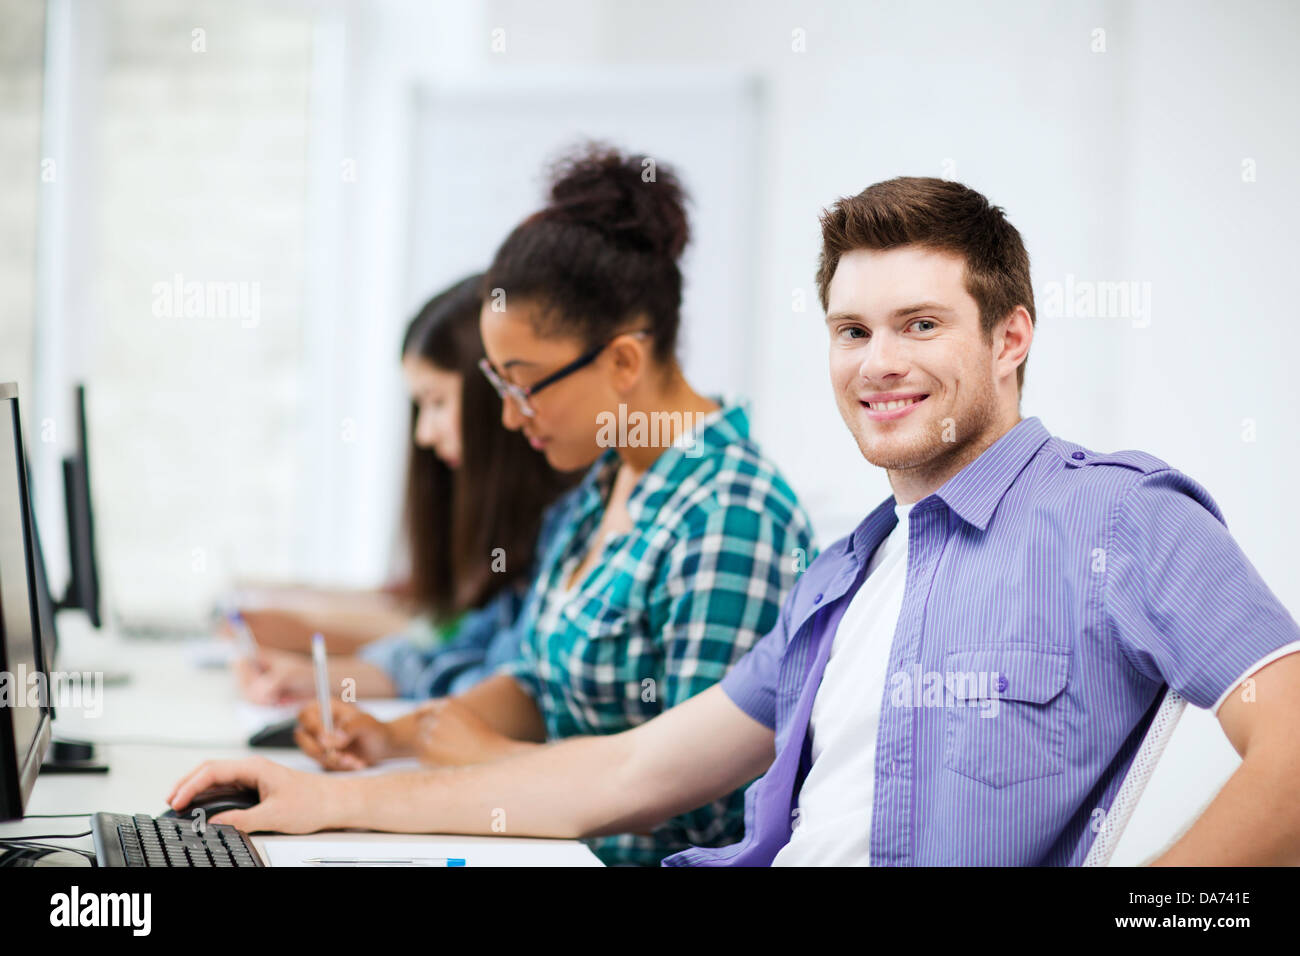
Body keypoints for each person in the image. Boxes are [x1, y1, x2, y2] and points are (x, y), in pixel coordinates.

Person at [172, 175, 1300, 866]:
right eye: (850, 330)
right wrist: (325, 800)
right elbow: (618, 776)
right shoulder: (848, 574)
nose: (879, 362)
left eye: (919, 323)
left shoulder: (1113, 514)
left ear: (1010, 338)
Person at [264, 145, 813, 866]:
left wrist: (485, 761)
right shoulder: (603, 484)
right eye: (499, 386)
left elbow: (700, 810)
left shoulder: (732, 517)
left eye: (525, 385)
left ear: (622, 362)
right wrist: (411, 733)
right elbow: (535, 679)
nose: (512, 418)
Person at [237, 274, 577, 704]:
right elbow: (456, 650)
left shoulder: (564, 524)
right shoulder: (510, 537)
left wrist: (320, 656)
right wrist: (319, 677)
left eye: (437, 402)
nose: (424, 435)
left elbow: (502, 687)